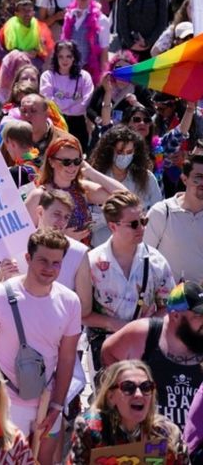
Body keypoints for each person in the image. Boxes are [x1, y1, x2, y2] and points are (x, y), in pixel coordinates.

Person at [0, 228, 82, 465]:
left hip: (46, 402)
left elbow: (67, 358)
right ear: (28, 259)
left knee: (44, 460)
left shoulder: (70, 302)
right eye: (43, 260)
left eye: (56, 263)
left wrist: (57, 406)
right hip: (5, 404)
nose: (49, 268)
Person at [82, 190, 175, 369]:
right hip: (104, 349)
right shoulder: (91, 262)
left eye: (143, 221)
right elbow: (80, 314)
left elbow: (168, 307)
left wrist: (145, 327)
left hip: (144, 350)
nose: (141, 228)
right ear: (112, 226)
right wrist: (114, 324)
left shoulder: (156, 261)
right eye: (133, 224)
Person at [101, 280, 203, 431]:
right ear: (175, 316)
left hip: (194, 444)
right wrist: (124, 393)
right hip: (150, 440)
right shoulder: (143, 333)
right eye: (198, 315)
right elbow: (108, 352)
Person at [68, 360, 189, 464]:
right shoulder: (90, 429)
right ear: (111, 396)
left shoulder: (167, 432)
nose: (138, 394)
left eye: (146, 387)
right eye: (128, 387)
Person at [25, 136, 127, 238]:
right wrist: (62, 237)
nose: (72, 167)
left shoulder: (82, 189)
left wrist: (92, 172)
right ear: (51, 162)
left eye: (77, 161)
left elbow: (125, 197)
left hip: (84, 252)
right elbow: (22, 238)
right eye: (66, 162)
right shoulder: (39, 195)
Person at [0, 190, 92, 298]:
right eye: (57, 214)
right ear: (40, 212)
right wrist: (2, 275)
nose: (62, 222)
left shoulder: (79, 252)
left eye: (66, 217)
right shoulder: (15, 244)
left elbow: (84, 307)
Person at [88, 126, 163, 245]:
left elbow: (158, 214)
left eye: (129, 152)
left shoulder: (147, 178)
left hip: (136, 249)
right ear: (109, 151)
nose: (124, 156)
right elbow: (86, 221)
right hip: (100, 249)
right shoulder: (94, 177)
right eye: (119, 152)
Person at [144, 154, 203, 284]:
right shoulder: (161, 212)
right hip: (166, 299)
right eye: (198, 178)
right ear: (184, 179)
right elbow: (143, 257)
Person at [39, 41, 94, 150]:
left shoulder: (84, 76)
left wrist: (62, 104)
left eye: (69, 56)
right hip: (55, 122)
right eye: (61, 57)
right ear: (56, 58)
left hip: (77, 124)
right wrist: (74, 101)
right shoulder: (47, 76)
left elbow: (86, 102)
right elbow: (48, 101)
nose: (65, 60)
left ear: (74, 58)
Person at [60, 0, 110, 86]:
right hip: (70, 70)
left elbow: (104, 51)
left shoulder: (101, 19)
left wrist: (104, 76)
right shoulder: (69, 15)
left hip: (90, 71)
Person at [0, 0, 54, 71]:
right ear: (16, 14)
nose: (27, 14)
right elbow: (1, 53)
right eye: (23, 11)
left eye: (29, 11)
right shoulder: (6, 29)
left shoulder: (41, 28)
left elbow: (45, 49)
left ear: (33, 13)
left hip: (33, 67)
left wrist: (37, 51)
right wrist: (22, 54)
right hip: (11, 66)